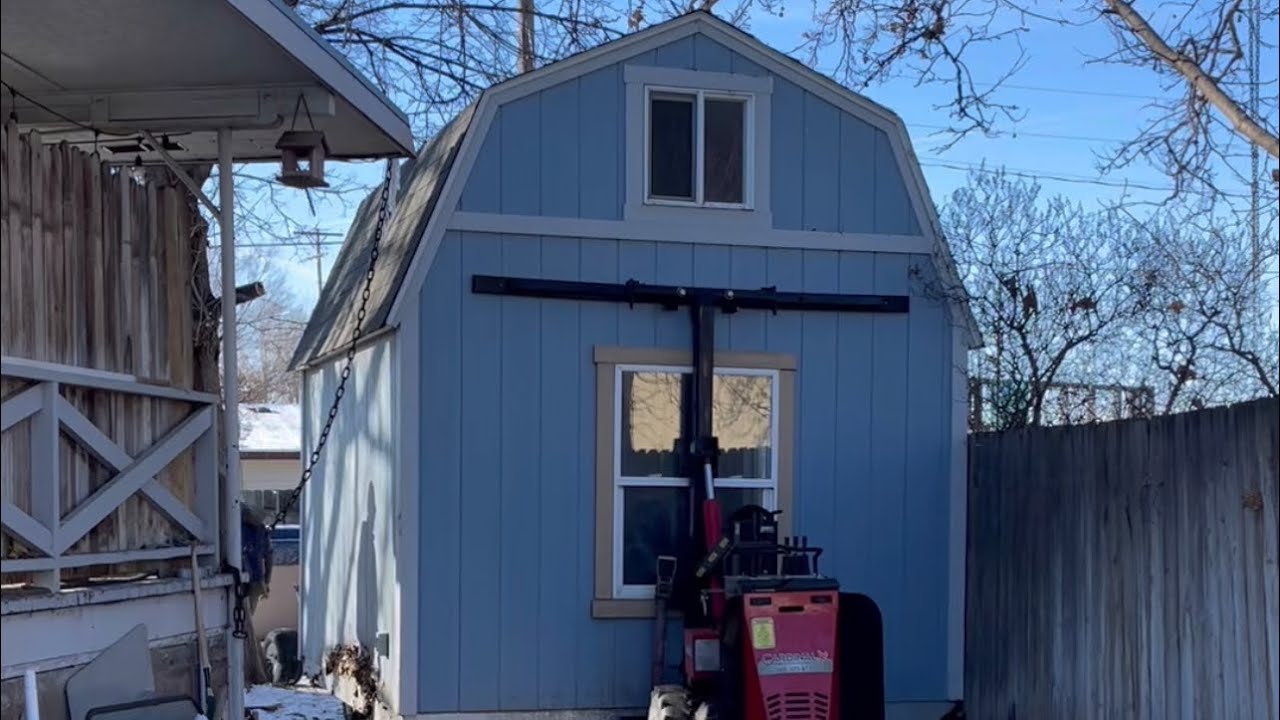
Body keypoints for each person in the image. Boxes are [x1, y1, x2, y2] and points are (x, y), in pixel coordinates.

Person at [241, 504, 273, 684]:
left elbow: (268, 556)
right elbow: (268, 556)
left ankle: (254, 668)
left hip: (252, 581)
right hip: (247, 580)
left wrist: (266, 581)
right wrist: (266, 580)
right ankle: (255, 668)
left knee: (248, 625)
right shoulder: (246, 528)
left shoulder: (259, 530)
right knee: (247, 626)